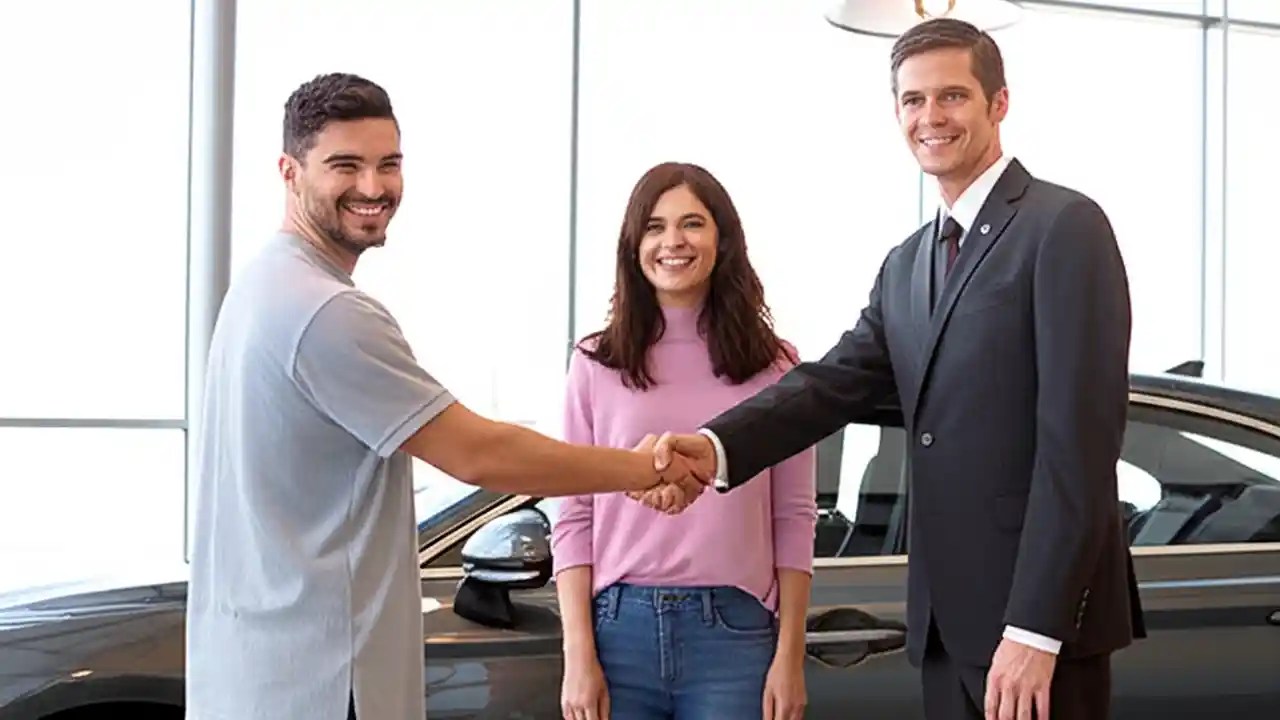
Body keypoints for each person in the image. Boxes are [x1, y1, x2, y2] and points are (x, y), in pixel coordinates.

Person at [644, 19, 1146, 720]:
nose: (930, 117)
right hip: (944, 627)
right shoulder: (907, 262)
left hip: (1033, 634)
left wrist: (1037, 629)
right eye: (913, 100)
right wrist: (714, 445)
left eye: (952, 96)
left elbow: (1079, 449)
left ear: (999, 103)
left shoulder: (1063, 227)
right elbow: (830, 385)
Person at [184, 73, 704, 720]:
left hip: (264, 677)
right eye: (345, 166)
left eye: (388, 164)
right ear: (290, 173)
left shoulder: (262, 287)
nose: (373, 186)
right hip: (325, 683)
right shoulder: (325, 312)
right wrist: (643, 469)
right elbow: (480, 453)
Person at [550, 162, 817, 720]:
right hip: (618, 632)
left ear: (723, 239)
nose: (673, 241)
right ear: (634, 246)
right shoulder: (595, 362)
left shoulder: (776, 367)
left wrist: (790, 656)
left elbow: (793, 516)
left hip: (736, 635)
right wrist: (578, 654)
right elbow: (573, 515)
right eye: (655, 226)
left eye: (692, 223)